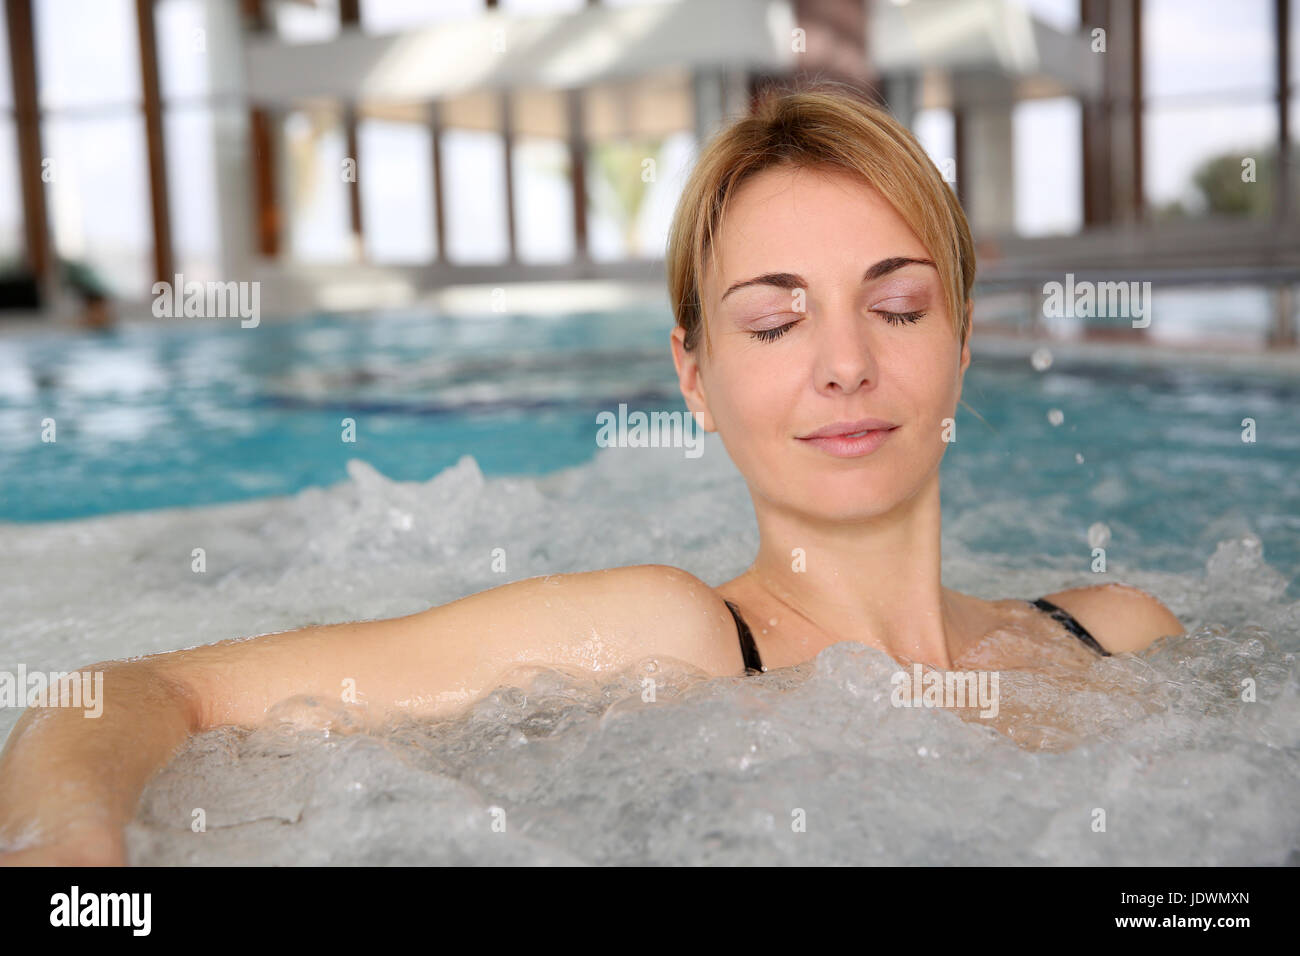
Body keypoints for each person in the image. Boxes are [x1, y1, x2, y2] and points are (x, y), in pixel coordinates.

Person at [0, 83, 1183, 866]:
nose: (844, 364)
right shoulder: (671, 635)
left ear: (962, 336)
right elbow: (142, 689)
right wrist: (69, 860)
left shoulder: (1118, 634)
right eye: (772, 324)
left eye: (896, 304)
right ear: (695, 377)